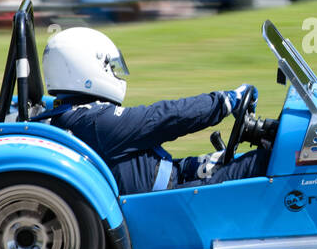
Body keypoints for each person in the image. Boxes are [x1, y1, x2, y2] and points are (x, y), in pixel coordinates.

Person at [38, 26, 265, 194]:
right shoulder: (94, 121)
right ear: (86, 67)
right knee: (265, 163)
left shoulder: (70, 116)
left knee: (244, 161)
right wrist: (227, 100)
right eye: (111, 66)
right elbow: (165, 117)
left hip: (172, 183)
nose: (116, 74)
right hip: (167, 201)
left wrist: (195, 165)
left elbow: (140, 164)